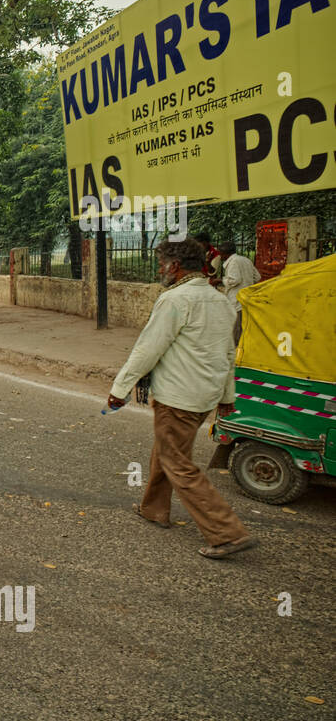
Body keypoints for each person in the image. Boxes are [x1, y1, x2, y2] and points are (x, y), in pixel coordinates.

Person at [107, 238, 256, 560]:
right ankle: (154, 509)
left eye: (162, 263)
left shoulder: (175, 300)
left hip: (179, 396)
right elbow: (228, 354)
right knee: (167, 450)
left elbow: (148, 348)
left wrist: (119, 389)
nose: (161, 269)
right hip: (204, 395)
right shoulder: (220, 301)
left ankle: (226, 532)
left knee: (177, 462)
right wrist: (227, 396)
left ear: (175, 266)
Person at [218, 241, 260, 343]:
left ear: (225, 253)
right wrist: (247, 284)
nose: (219, 256)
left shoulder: (233, 262)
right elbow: (257, 277)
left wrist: (220, 280)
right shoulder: (245, 260)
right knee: (244, 324)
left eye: (220, 253)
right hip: (247, 297)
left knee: (236, 326)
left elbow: (235, 280)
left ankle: (236, 347)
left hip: (236, 298)